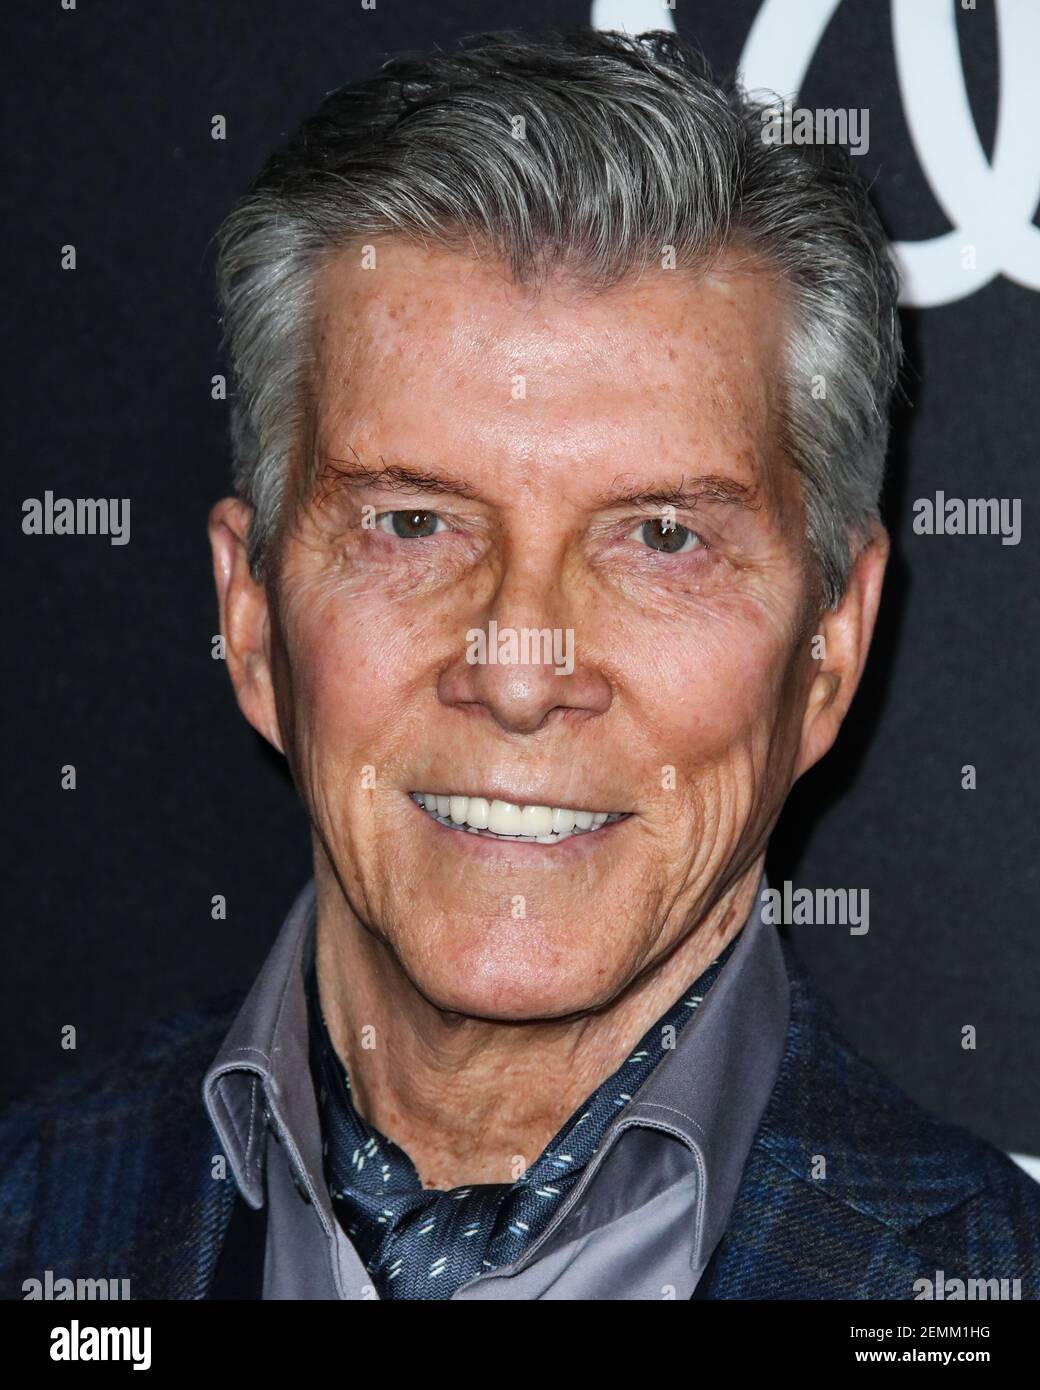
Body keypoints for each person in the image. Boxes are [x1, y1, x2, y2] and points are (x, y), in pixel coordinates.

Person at [4, 26, 1038, 1301]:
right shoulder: (32, 1219)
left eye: (660, 537)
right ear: (253, 618)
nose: (516, 670)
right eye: (411, 524)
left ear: (828, 647)